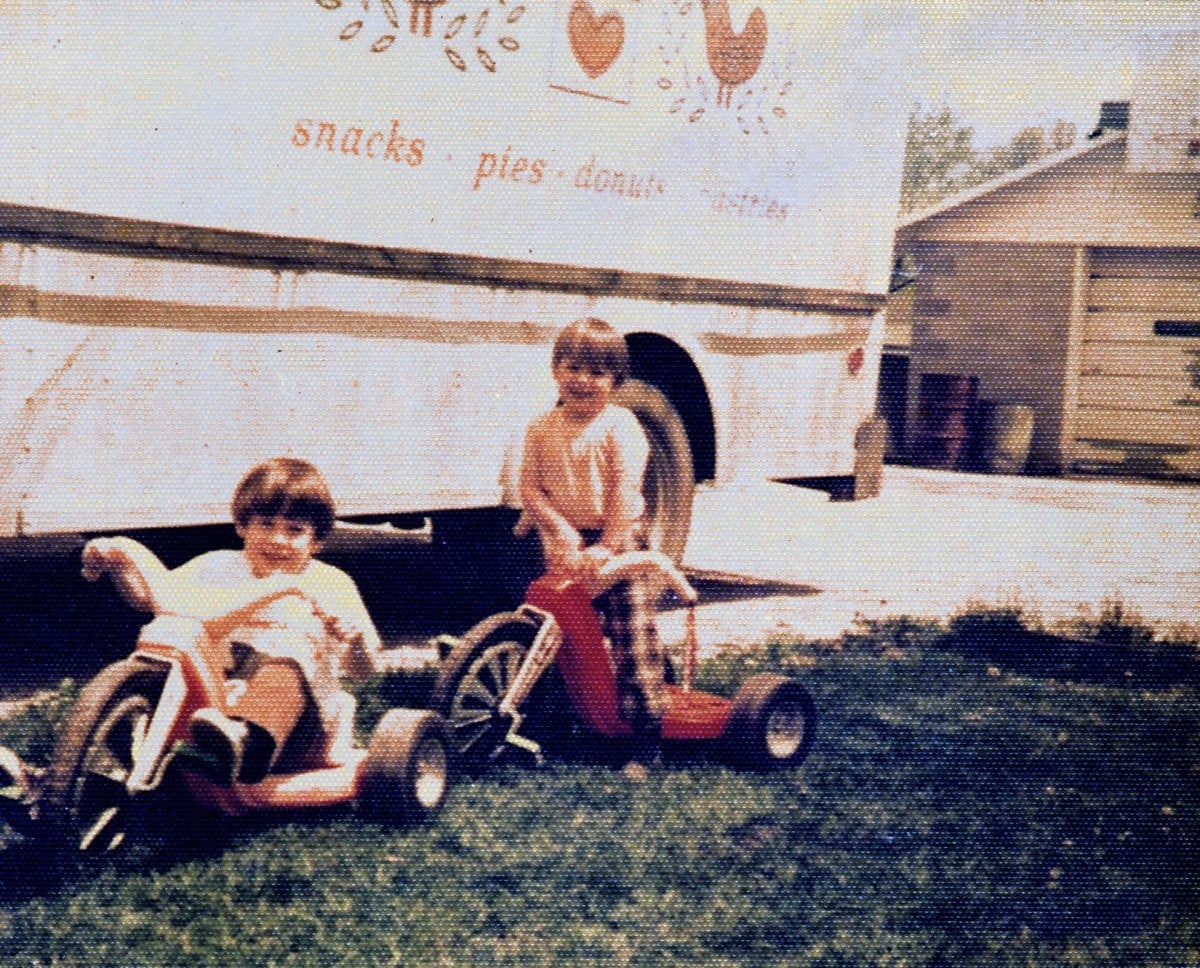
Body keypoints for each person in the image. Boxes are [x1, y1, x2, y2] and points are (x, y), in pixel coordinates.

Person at [83, 457, 398, 785]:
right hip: (214, 713)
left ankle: (248, 742)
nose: (278, 540)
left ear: (316, 541)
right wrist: (118, 564)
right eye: (266, 525)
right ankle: (123, 737)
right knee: (169, 644)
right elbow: (156, 601)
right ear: (242, 526)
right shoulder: (216, 566)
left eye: (295, 531)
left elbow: (364, 671)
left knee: (287, 661)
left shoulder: (332, 584)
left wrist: (354, 641)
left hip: (299, 729)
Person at [518, 317, 665, 780]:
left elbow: (624, 491)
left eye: (597, 372)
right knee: (559, 635)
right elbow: (530, 489)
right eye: (573, 367)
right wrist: (561, 530)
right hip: (568, 545)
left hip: (619, 543)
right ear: (555, 369)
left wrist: (608, 546)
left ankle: (645, 738)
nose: (582, 379)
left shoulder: (620, 425)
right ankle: (557, 720)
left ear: (616, 381)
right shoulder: (541, 427)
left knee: (630, 637)